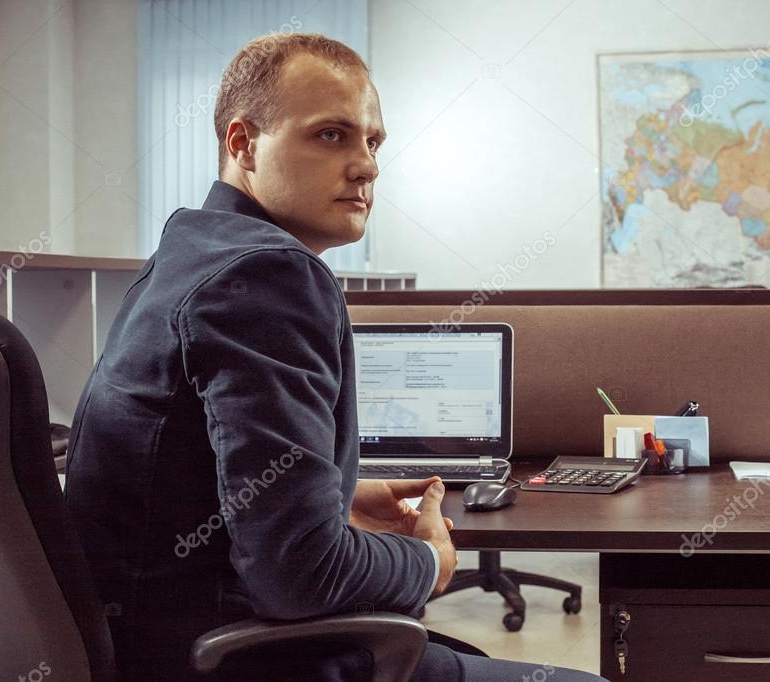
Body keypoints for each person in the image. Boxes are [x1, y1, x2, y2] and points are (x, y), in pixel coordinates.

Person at [65, 32, 606, 681]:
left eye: (372, 141)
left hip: (155, 645)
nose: (367, 166)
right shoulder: (269, 275)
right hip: (236, 660)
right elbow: (297, 572)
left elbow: (188, 491)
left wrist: (336, 495)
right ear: (243, 143)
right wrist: (428, 563)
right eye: (331, 136)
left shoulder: (189, 252)